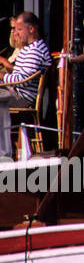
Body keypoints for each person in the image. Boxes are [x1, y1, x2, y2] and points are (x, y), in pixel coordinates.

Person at [0, 12, 52, 159]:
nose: (16, 33)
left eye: (19, 29)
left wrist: (2, 76)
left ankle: (3, 153)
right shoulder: (28, 49)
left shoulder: (35, 50)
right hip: (15, 90)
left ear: (32, 29)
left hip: (22, 96)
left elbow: (23, 79)